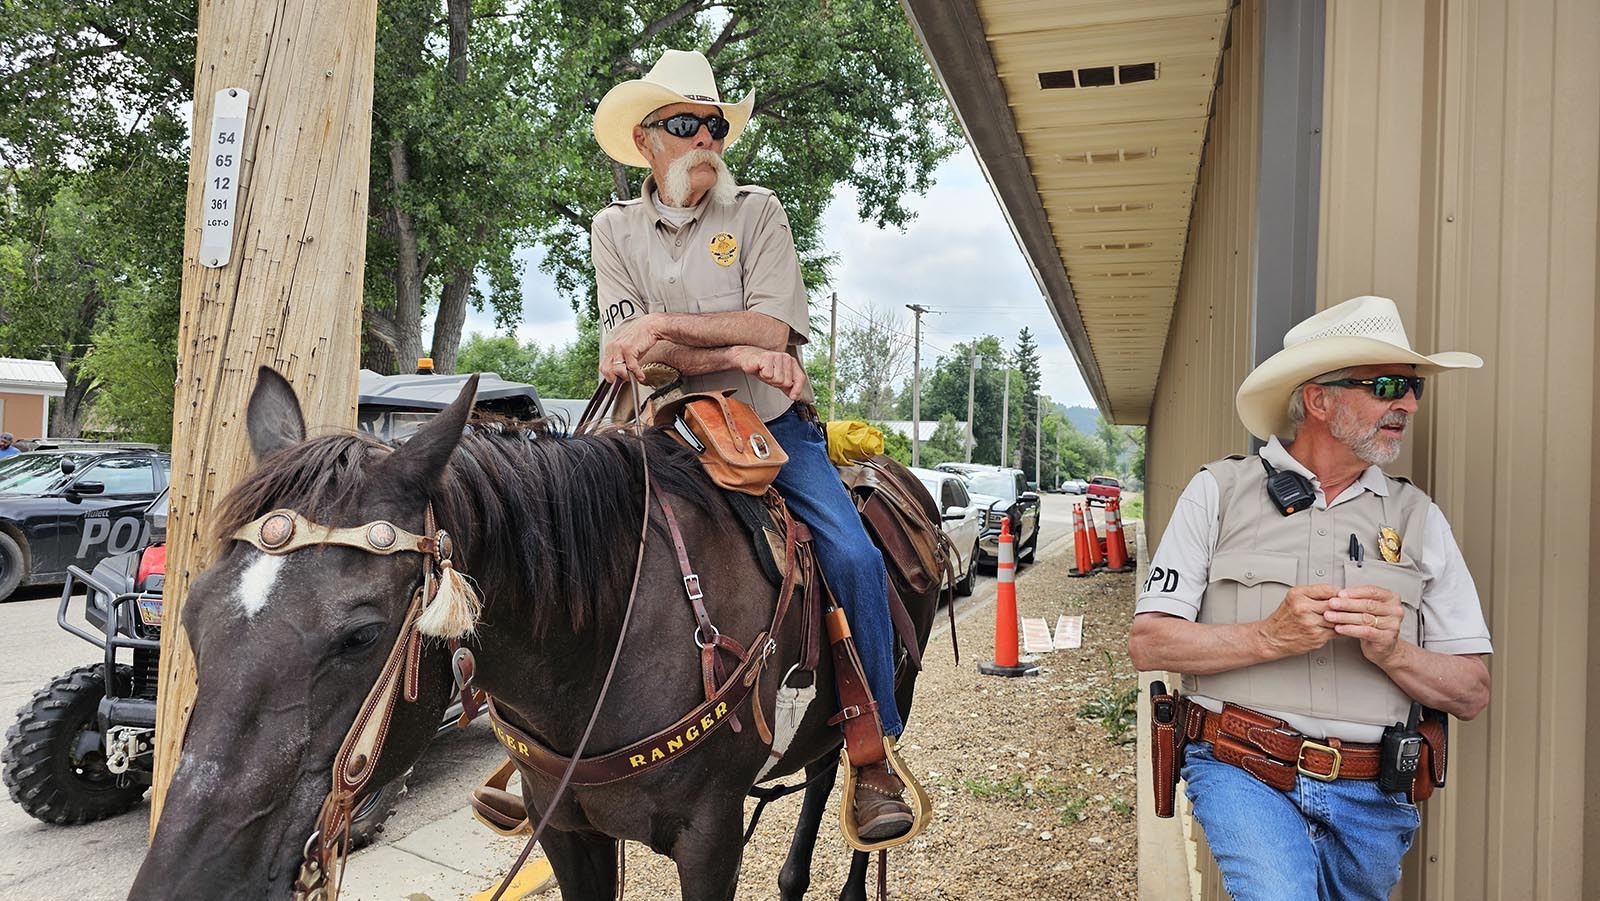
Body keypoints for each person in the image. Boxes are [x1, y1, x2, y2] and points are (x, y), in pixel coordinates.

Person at [589, 49, 913, 840]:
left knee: (853, 555)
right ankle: (539, 744)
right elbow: (637, 359)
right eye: (686, 123)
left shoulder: (757, 212)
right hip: (662, 429)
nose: (706, 137)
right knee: (563, 535)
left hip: (767, 429)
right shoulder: (612, 229)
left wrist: (665, 327)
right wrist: (729, 347)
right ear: (646, 139)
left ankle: (874, 751)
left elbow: (772, 329)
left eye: (716, 125)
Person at [1128, 295, 1493, 900]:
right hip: (1243, 767)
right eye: (1386, 385)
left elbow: (1472, 692)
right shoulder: (1217, 492)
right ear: (1319, 400)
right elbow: (1150, 643)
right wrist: (1267, 637)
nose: (1407, 403)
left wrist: (1393, 651)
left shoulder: (1419, 517)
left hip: (1374, 793)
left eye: (1413, 388)